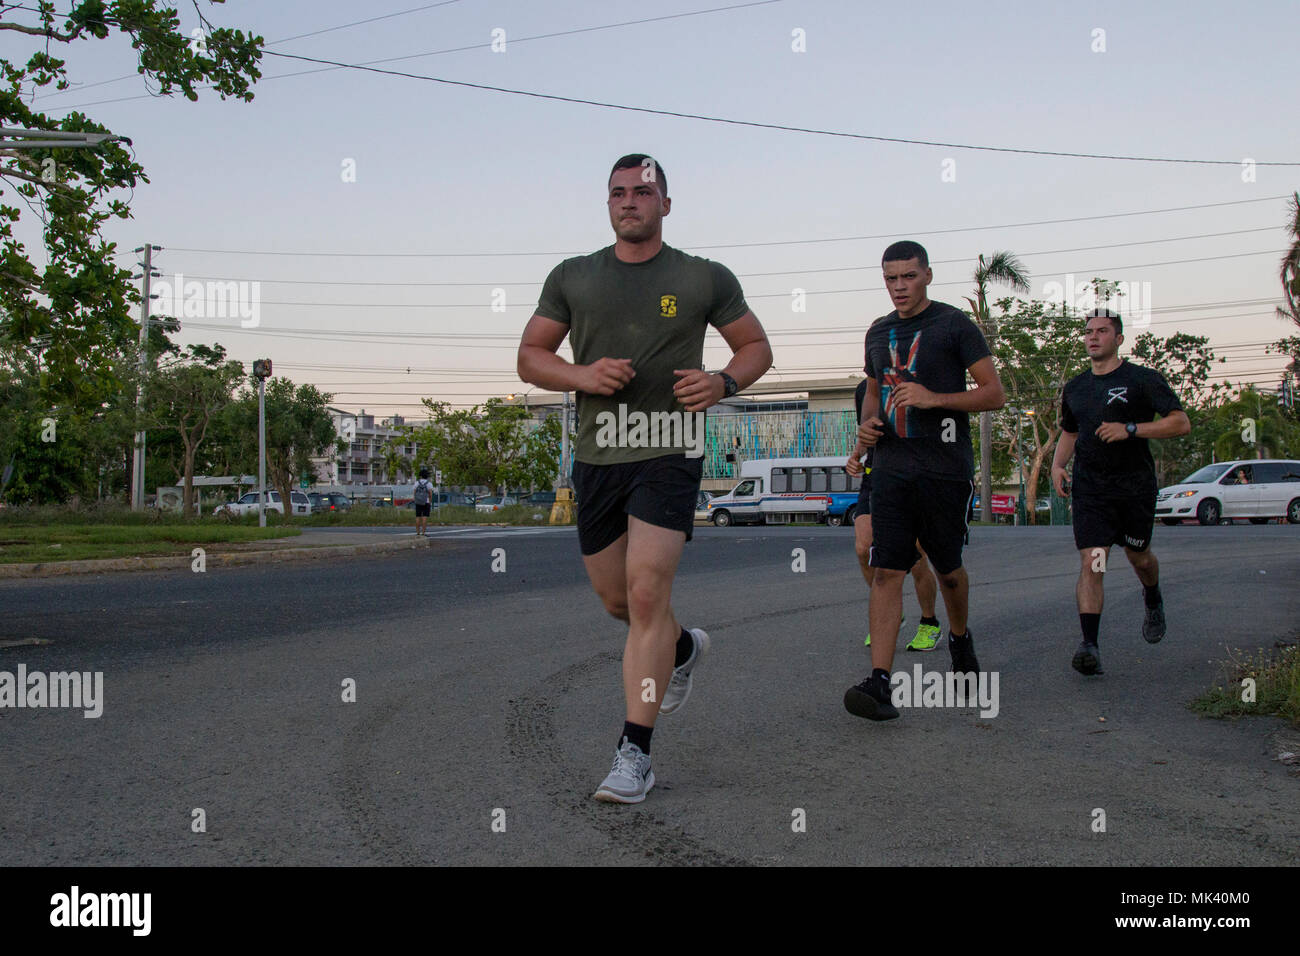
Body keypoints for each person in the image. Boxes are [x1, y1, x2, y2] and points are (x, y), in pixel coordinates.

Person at [516, 154, 772, 802]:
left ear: (665, 203)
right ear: (608, 204)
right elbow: (530, 356)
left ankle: (636, 753)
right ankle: (682, 649)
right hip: (599, 454)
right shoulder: (573, 276)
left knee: (647, 593)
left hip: (669, 448)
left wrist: (722, 381)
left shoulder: (702, 276)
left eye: (643, 192)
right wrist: (581, 376)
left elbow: (756, 347)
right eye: (618, 193)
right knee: (619, 603)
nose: (629, 201)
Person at [843, 240, 1005, 721]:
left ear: (927, 275)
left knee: (948, 571)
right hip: (890, 473)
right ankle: (879, 682)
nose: (899, 287)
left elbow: (994, 393)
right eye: (890, 278)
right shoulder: (877, 332)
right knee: (888, 570)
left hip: (944, 472)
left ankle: (959, 639)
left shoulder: (953, 324)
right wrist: (864, 432)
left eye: (908, 277)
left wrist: (936, 399)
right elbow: (873, 392)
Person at [1051, 308, 1191, 676]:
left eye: (1101, 331)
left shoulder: (1142, 380)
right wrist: (1057, 464)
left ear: (1119, 339)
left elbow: (1180, 422)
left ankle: (1152, 595)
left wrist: (1130, 428)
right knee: (1093, 560)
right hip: (1092, 491)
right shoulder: (1076, 387)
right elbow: (1070, 430)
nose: (1093, 337)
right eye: (1088, 331)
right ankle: (1090, 645)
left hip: (1133, 489)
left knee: (1138, 556)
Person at [849, 377, 942, 651]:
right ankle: (891, 612)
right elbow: (869, 431)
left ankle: (929, 622)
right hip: (876, 473)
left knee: (915, 557)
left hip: (915, 474)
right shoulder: (865, 390)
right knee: (864, 548)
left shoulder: (919, 378)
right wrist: (856, 455)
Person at [412, 469, 433, 536]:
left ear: (420, 476)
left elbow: (414, 492)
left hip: (418, 502)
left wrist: (415, 499)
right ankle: (423, 533)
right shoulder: (429, 484)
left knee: (418, 517)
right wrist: (430, 501)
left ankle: (418, 532)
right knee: (424, 517)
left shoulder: (417, 483)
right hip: (426, 502)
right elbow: (430, 494)